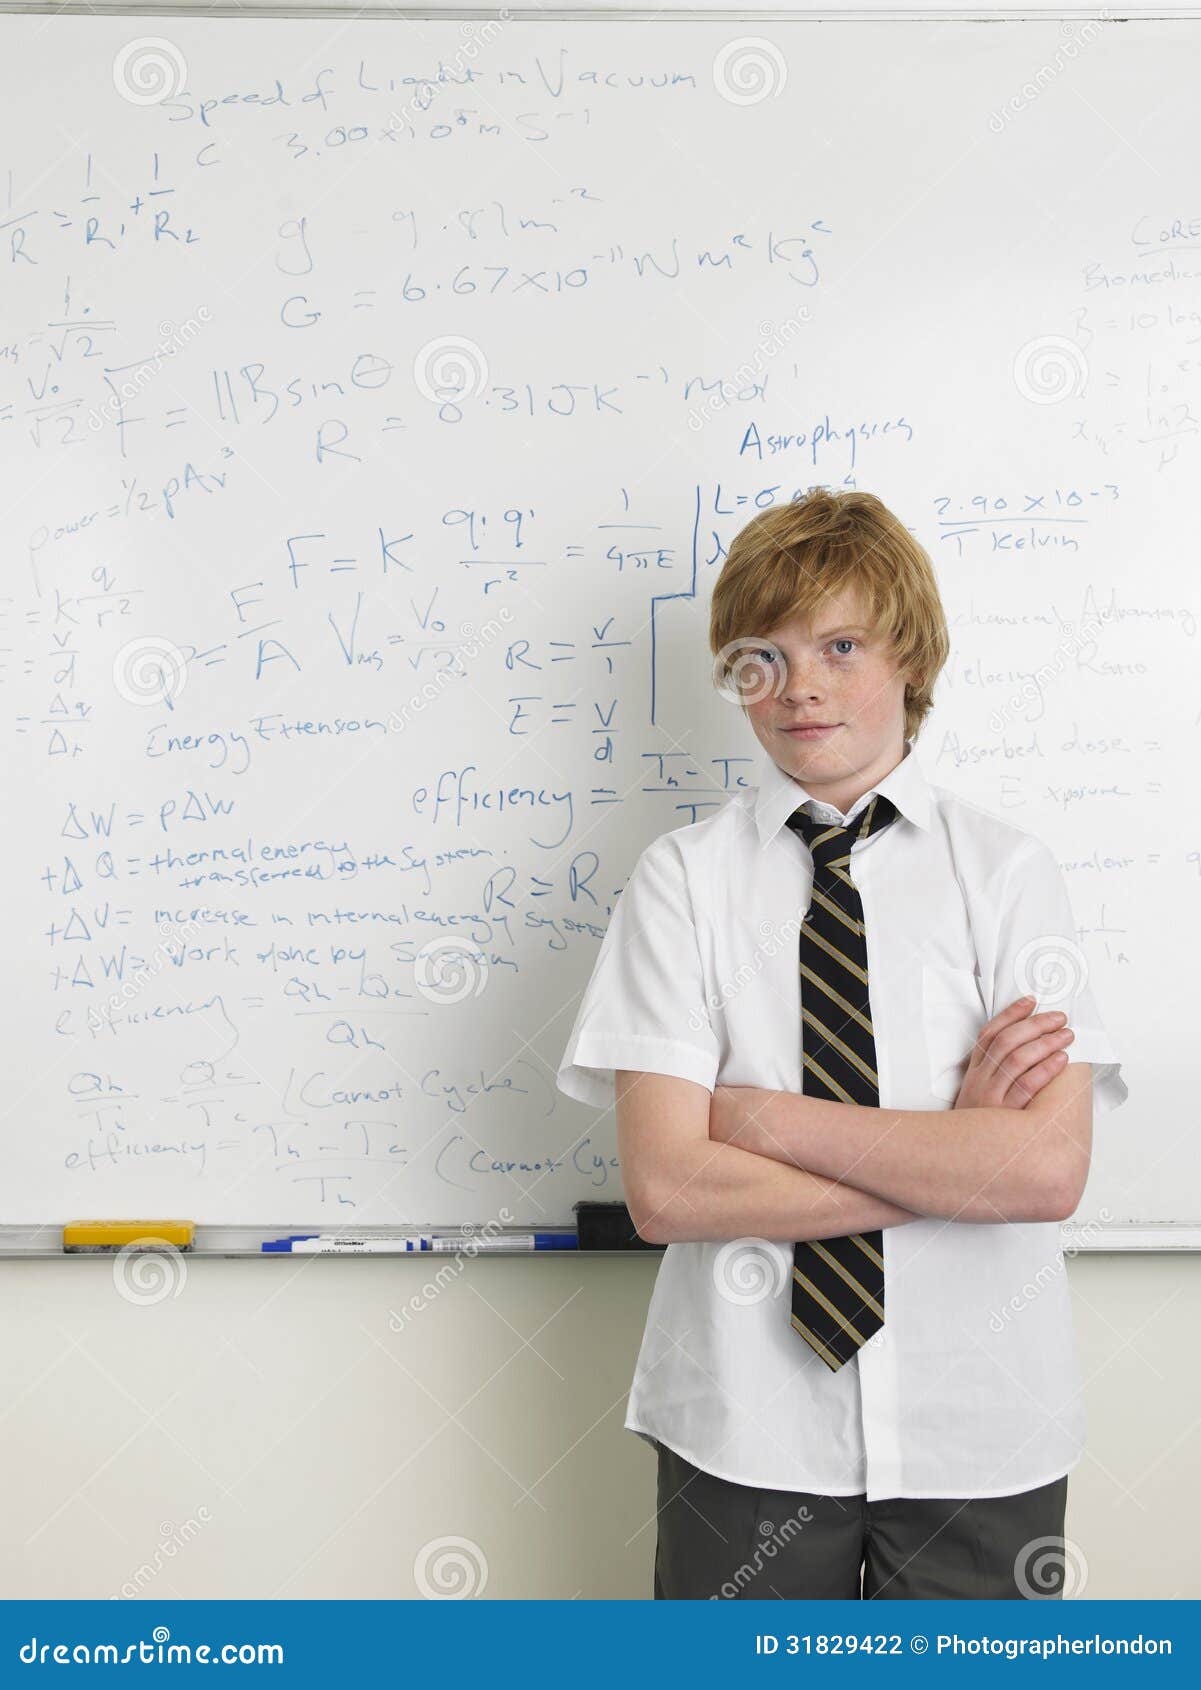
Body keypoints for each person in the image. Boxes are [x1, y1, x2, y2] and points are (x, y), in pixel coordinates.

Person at [556, 488, 1127, 1600]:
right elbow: (669, 1189)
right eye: (760, 657)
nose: (798, 684)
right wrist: (957, 1155)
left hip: (979, 1427)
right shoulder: (684, 882)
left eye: (840, 644)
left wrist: (762, 1119)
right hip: (745, 1428)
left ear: (909, 657)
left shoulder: (1008, 874)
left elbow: (1045, 1172)